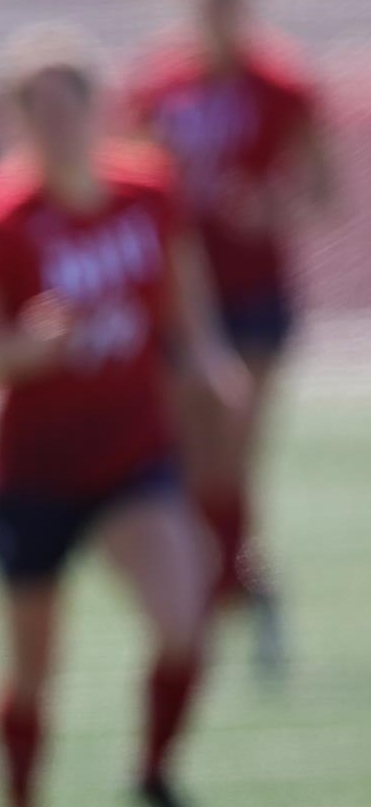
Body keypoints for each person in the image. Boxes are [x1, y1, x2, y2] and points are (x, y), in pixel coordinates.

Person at [0, 24, 249, 807]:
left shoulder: (148, 191)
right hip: (35, 469)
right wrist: (25, 350)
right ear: (14, 120)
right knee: (34, 669)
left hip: (132, 451)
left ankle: (154, 769)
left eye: (70, 107)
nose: (57, 126)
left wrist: (208, 358)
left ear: (99, 109)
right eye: (39, 112)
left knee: (185, 615)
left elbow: (184, 287)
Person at [126, 0, 338, 677]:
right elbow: (128, 177)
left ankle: (239, 585)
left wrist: (269, 206)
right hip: (181, 298)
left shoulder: (282, 84)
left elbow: (323, 189)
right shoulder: (160, 83)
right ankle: (234, 588)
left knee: (236, 453)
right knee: (193, 459)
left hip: (252, 295)